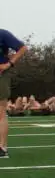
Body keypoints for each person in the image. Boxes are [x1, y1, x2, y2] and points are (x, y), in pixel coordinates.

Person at [0, 29, 28, 157]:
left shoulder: (2, 34)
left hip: (1, 76)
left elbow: (22, 48)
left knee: (0, 112)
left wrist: (9, 64)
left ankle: (2, 147)